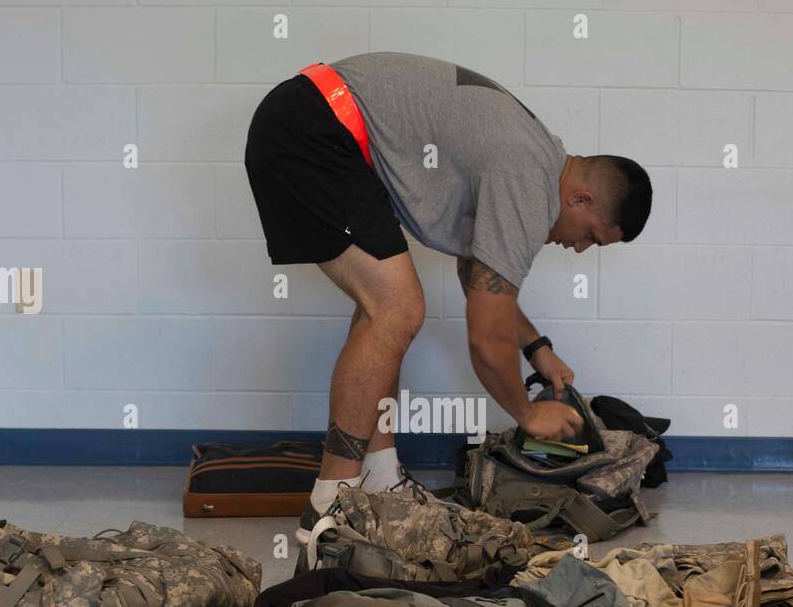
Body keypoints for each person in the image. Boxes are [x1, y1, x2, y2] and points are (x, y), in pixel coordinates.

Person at [243, 52, 652, 540]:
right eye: (591, 236)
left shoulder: (535, 160)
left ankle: (377, 478)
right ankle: (331, 501)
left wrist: (536, 347)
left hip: (317, 122)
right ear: (580, 199)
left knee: (385, 307)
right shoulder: (529, 180)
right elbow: (485, 335)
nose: (579, 248)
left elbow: (479, 277)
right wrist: (526, 413)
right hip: (313, 128)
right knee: (396, 309)